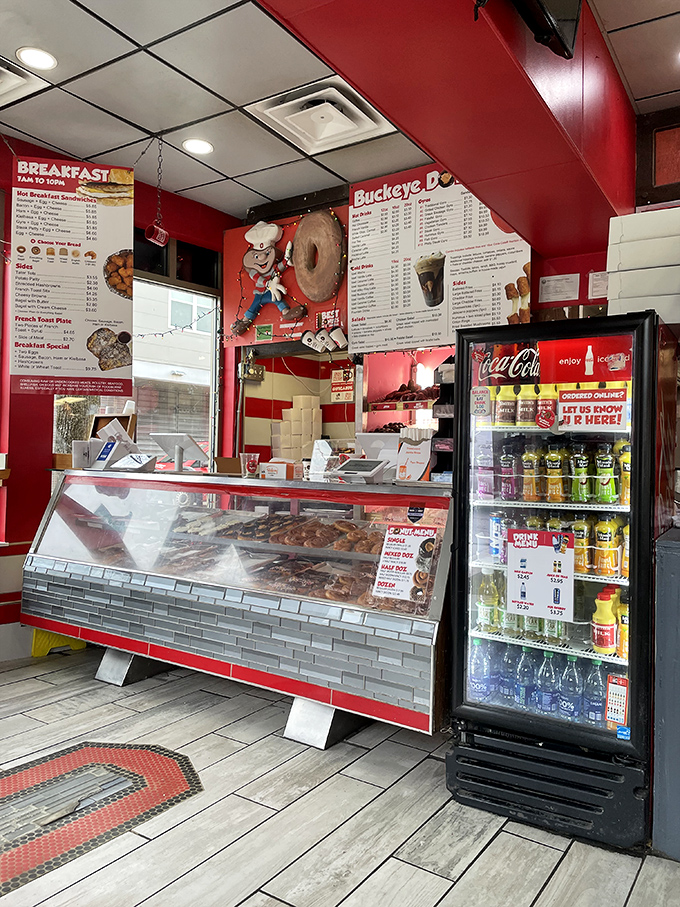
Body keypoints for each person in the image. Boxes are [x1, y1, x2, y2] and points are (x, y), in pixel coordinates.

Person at [231, 220, 307, 335]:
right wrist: (267, 283)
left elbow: (281, 267)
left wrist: (286, 260)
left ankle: (286, 313)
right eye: (257, 256)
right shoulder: (254, 271)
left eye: (267, 253)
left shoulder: (273, 269)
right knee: (253, 307)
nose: (262, 258)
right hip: (260, 293)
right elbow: (256, 277)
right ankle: (244, 322)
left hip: (271, 292)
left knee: (278, 300)